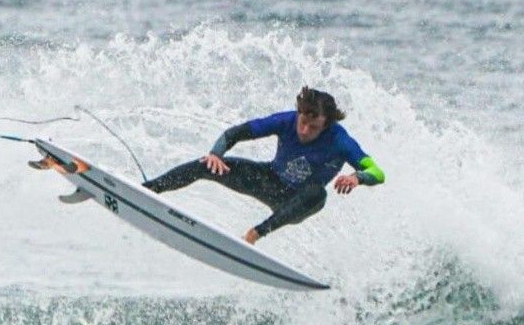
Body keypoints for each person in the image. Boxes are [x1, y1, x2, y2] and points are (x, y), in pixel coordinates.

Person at [143, 87, 386, 244]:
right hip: (270, 180)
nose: (304, 130)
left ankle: (254, 234)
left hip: (299, 201)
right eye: (303, 122)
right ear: (299, 113)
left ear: (327, 125)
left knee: (318, 193)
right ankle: (149, 189)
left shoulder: (340, 140)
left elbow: (377, 172)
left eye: (313, 128)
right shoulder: (285, 121)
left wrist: (357, 178)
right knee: (206, 164)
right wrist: (216, 153)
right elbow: (233, 134)